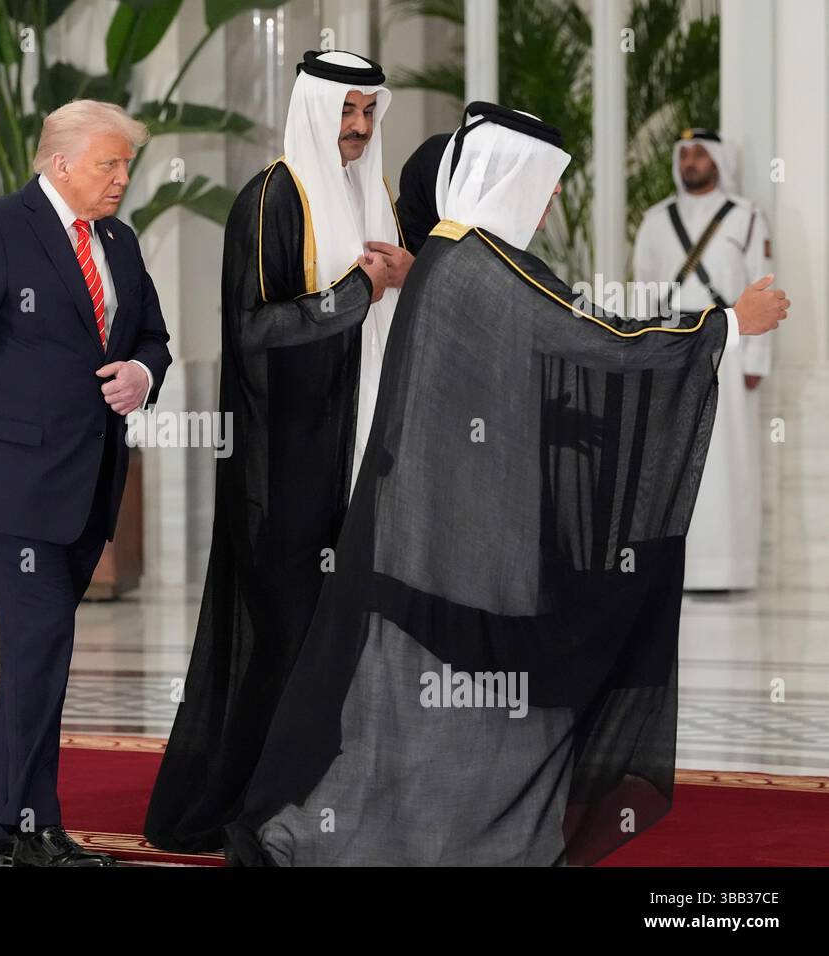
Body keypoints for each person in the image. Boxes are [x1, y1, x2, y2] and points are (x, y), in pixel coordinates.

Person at [224, 103, 789, 866]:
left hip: (451, 518)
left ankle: (447, 829)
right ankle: (458, 834)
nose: (552, 200)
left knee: (453, 683)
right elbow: (598, 336)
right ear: (512, 177)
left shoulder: (457, 256)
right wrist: (725, 322)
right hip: (465, 530)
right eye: (546, 184)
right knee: (473, 679)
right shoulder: (486, 264)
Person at [145, 50, 412, 854]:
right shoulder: (271, 199)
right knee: (287, 642)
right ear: (314, 111)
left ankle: (334, 805)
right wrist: (360, 291)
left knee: (348, 644)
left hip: (361, 454)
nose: (360, 129)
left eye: (370, 112)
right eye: (347, 112)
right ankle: (261, 810)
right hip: (288, 471)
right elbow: (255, 331)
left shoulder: (376, 195)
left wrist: (409, 275)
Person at [0, 100, 172, 867]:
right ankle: (22, 832)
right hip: (7, 483)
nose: (122, 177)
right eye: (108, 164)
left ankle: (16, 828)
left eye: (126, 164)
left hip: (89, 483)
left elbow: (151, 332)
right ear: (60, 164)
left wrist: (141, 372)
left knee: (41, 652)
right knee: (41, 642)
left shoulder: (117, 240)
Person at [633, 128, 772, 590]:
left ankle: (729, 569)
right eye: (685, 154)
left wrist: (756, 360)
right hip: (671, 344)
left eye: (700, 153)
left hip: (729, 346)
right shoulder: (655, 220)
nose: (691, 161)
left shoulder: (746, 217)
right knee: (671, 455)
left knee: (727, 459)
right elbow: (643, 294)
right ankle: (675, 569)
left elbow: (763, 286)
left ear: (717, 160)